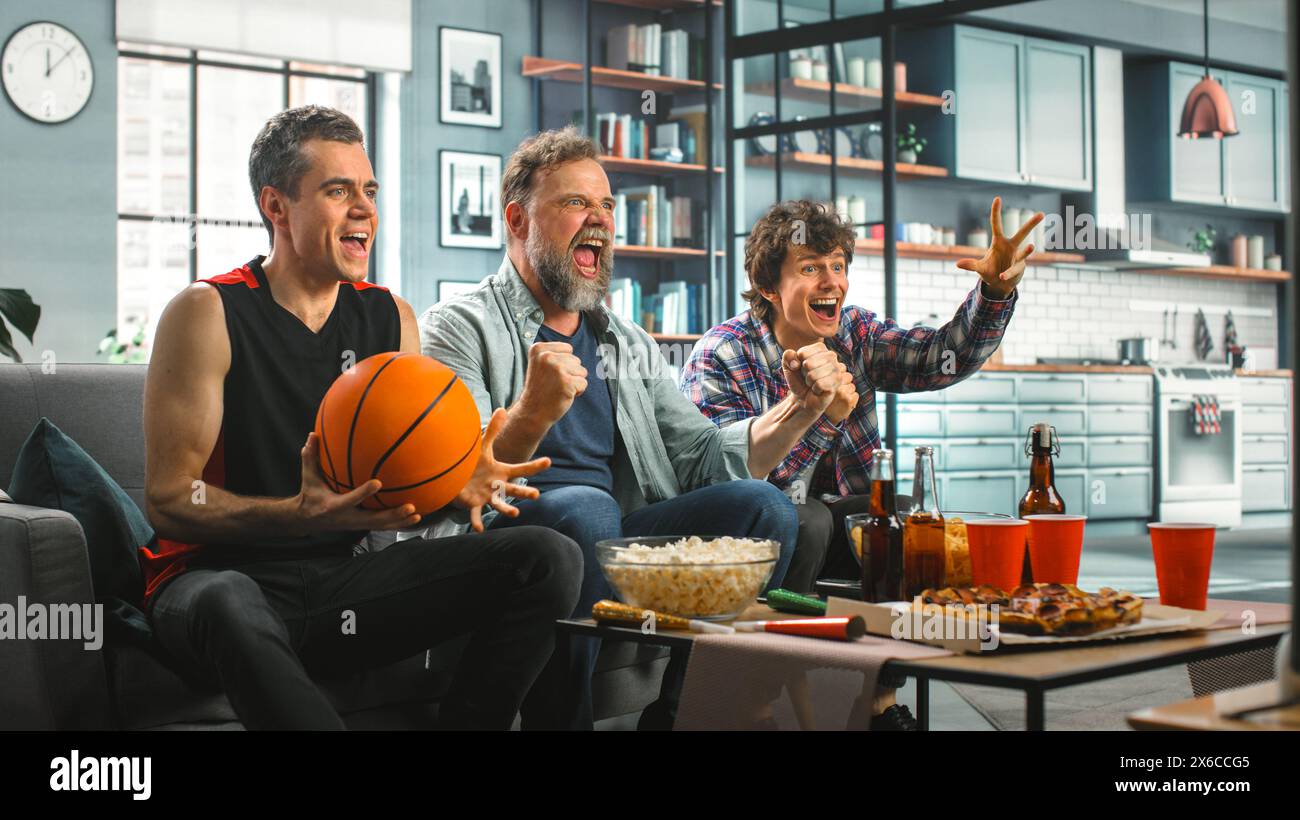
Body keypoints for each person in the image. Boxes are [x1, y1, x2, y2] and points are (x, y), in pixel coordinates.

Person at [141, 105, 582, 731]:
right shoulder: (206, 311)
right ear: (276, 206)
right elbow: (166, 500)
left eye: (369, 191)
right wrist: (295, 515)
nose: (364, 210)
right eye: (337, 190)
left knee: (548, 556)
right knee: (229, 598)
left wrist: (456, 485)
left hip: (341, 588)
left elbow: (399, 501)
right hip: (216, 579)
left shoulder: (390, 319)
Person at [420, 126, 828, 731]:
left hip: (611, 538)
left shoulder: (625, 341)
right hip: (511, 545)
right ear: (517, 219)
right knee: (587, 509)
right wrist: (533, 411)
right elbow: (466, 481)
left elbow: (702, 458)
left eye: (607, 205)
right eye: (576, 203)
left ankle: (683, 716)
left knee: (764, 508)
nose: (601, 221)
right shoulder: (458, 327)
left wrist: (801, 409)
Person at [680, 198, 1039, 729]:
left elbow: (943, 356)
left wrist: (995, 292)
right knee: (807, 517)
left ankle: (877, 703)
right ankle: (754, 704)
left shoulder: (857, 334)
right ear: (768, 287)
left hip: (842, 523)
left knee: (901, 517)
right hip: (767, 527)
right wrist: (822, 414)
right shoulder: (723, 355)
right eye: (810, 268)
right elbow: (738, 482)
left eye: (838, 266)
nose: (831, 282)